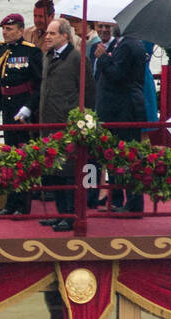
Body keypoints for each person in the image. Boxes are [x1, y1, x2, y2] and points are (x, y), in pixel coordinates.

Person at [38, 18, 93, 233]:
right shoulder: (47, 57)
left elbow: (88, 92)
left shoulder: (77, 59)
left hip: (67, 124)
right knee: (53, 170)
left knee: (68, 172)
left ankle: (70, 215)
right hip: (48, 123)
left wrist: (82, 120)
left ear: (64, 36)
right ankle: (60, 213)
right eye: (47, 33)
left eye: (52, 33)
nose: (48, 36)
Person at [92, 24, 147, 214]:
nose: (111, 27)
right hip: (117, 110)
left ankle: (132, 203)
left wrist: (103, 58)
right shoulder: (122, 44)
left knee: (126, 159)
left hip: (124, 111)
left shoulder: (128, 46)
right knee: (114, 157)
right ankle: (117, 200)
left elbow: (118, 75)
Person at [0, 13, 43, 216]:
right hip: (7, 107)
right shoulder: (0, 50)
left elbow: (40, 84)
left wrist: (29, 107)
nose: (5, 32)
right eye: (4, 28)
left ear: (21, 31)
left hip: (23, 109)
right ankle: (10, 203)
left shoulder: (31, 52)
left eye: (10, 29)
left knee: (23, 157)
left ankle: (23, 204)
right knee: (9, 157)